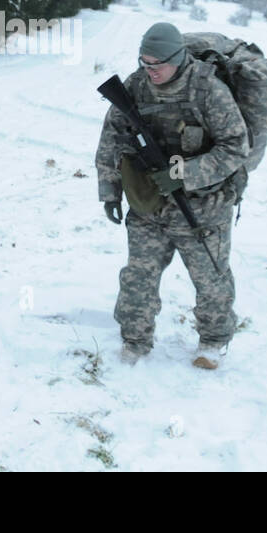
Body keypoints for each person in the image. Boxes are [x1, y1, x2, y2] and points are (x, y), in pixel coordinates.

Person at [95, 22, 247, 369]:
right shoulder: (133, 87)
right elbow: (111, 140)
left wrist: (186, 173)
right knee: (138, 275)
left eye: (157, 65)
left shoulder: (209, 90)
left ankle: (212, 342)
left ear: (178, 58)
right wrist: (109, 191)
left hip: (203, 208)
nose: (150, 72)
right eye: (144, 63)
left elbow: (236, 147)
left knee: (211, 278)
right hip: (149, 204)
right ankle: (134, 340)